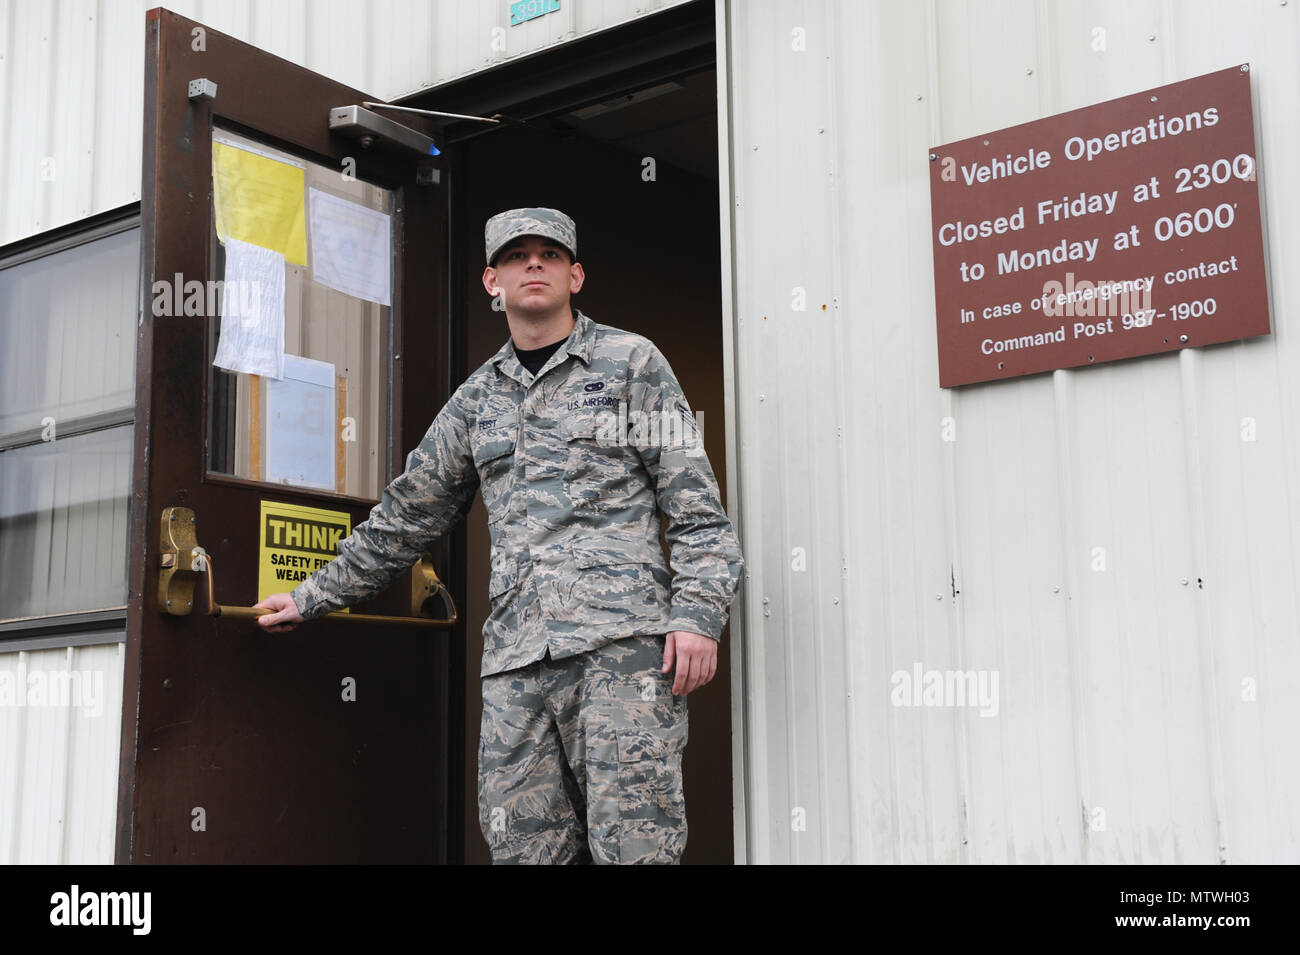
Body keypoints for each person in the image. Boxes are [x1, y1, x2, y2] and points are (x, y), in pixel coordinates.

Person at [254, 207, 744, 864]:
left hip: (621, 654)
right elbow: (408, 516)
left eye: (548, 253)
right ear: (492, 281)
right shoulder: (477, 399)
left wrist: (699, 617)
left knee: (636, 848)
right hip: (516, 666)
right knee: (523, 850)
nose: (533, 264)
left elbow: (697, 509)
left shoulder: (632, 363)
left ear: (576, 274)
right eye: (517, 256)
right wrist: (313, 593)